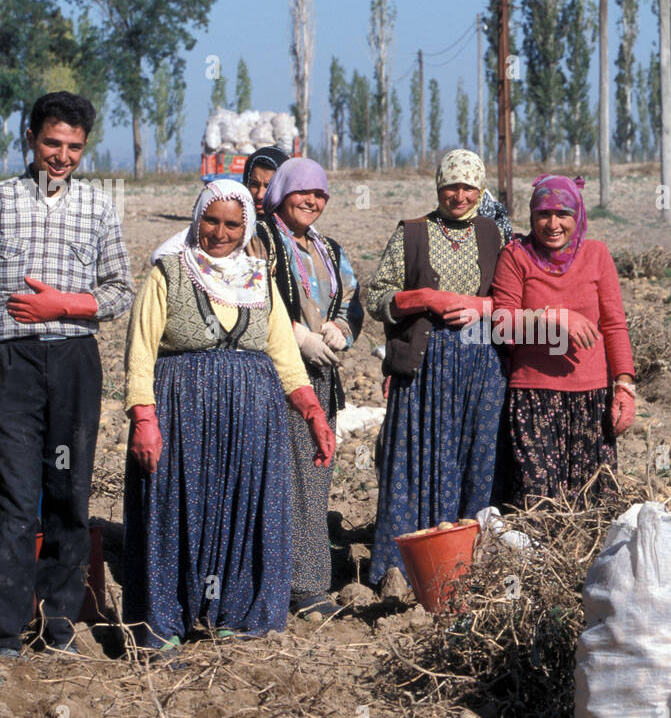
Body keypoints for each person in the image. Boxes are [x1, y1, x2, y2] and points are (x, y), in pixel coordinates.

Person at [0, 91, 134, 659]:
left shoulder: (99, 208)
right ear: (30, 139)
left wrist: (66, 306)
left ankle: (58, 622)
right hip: (12, 365)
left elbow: (121, 291)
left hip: (75, 361)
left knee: (69, 493)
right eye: (52, 142)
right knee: (11, 494)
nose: (62, 155)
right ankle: (4, 629)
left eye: (73, 146)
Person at [122, 180, 335, 651]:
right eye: (211, 221)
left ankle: (237, 617)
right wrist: (144, 419)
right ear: (197, 219)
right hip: (183, 411)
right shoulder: (169, 273)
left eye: (232, 224)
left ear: (247, 227)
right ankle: (166, 623)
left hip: (254, 415)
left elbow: (283, 352)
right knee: (178, 507)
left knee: (246, 507)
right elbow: (140, 352)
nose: (220, 232)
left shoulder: (258, 278)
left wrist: (313, 413)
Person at [365, 149, 507, 586]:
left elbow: (513, 296)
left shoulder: (494, 234)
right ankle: (403, 567)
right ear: (438, 187)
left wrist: (480, 305)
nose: (459, 195)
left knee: (475, 459)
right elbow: (376, 298)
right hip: (425, 363)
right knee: (414, 457)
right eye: (451, 186)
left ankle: (466, 565)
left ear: (480, 190)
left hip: (482, 365)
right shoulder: (412, 232)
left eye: (468, 187)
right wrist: (424, 298)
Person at [255, 157, 363, 617]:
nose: (312, 201)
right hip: (275, 374)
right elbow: (253, 293)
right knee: (281, 478)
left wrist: (342, 327)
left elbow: (354, 298)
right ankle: (291, 585)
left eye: (320, 194)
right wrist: (296, 335)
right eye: (303, 192)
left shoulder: (329, 248)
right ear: (282, 193)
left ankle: (307, 581)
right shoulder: (261, 239)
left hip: (323, 377)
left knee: (314, 476)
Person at [489, 174, 636, 504]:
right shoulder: (516, 256)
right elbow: (501, 325)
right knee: (540, 501)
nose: (552, 224)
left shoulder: (597, 255)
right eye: (543, 214)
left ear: (578, 215)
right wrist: (552, 316)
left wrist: (624, 386)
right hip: (533, 397)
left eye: (562, 214)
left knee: (595, 503)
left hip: (592, 400)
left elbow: (614, 326)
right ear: (531, 216)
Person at [149, 145, 289, 265]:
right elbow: (159, 255)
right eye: (254, 184)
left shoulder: (294, 230)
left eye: (269, 186)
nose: (259, 195)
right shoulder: (237, 221)